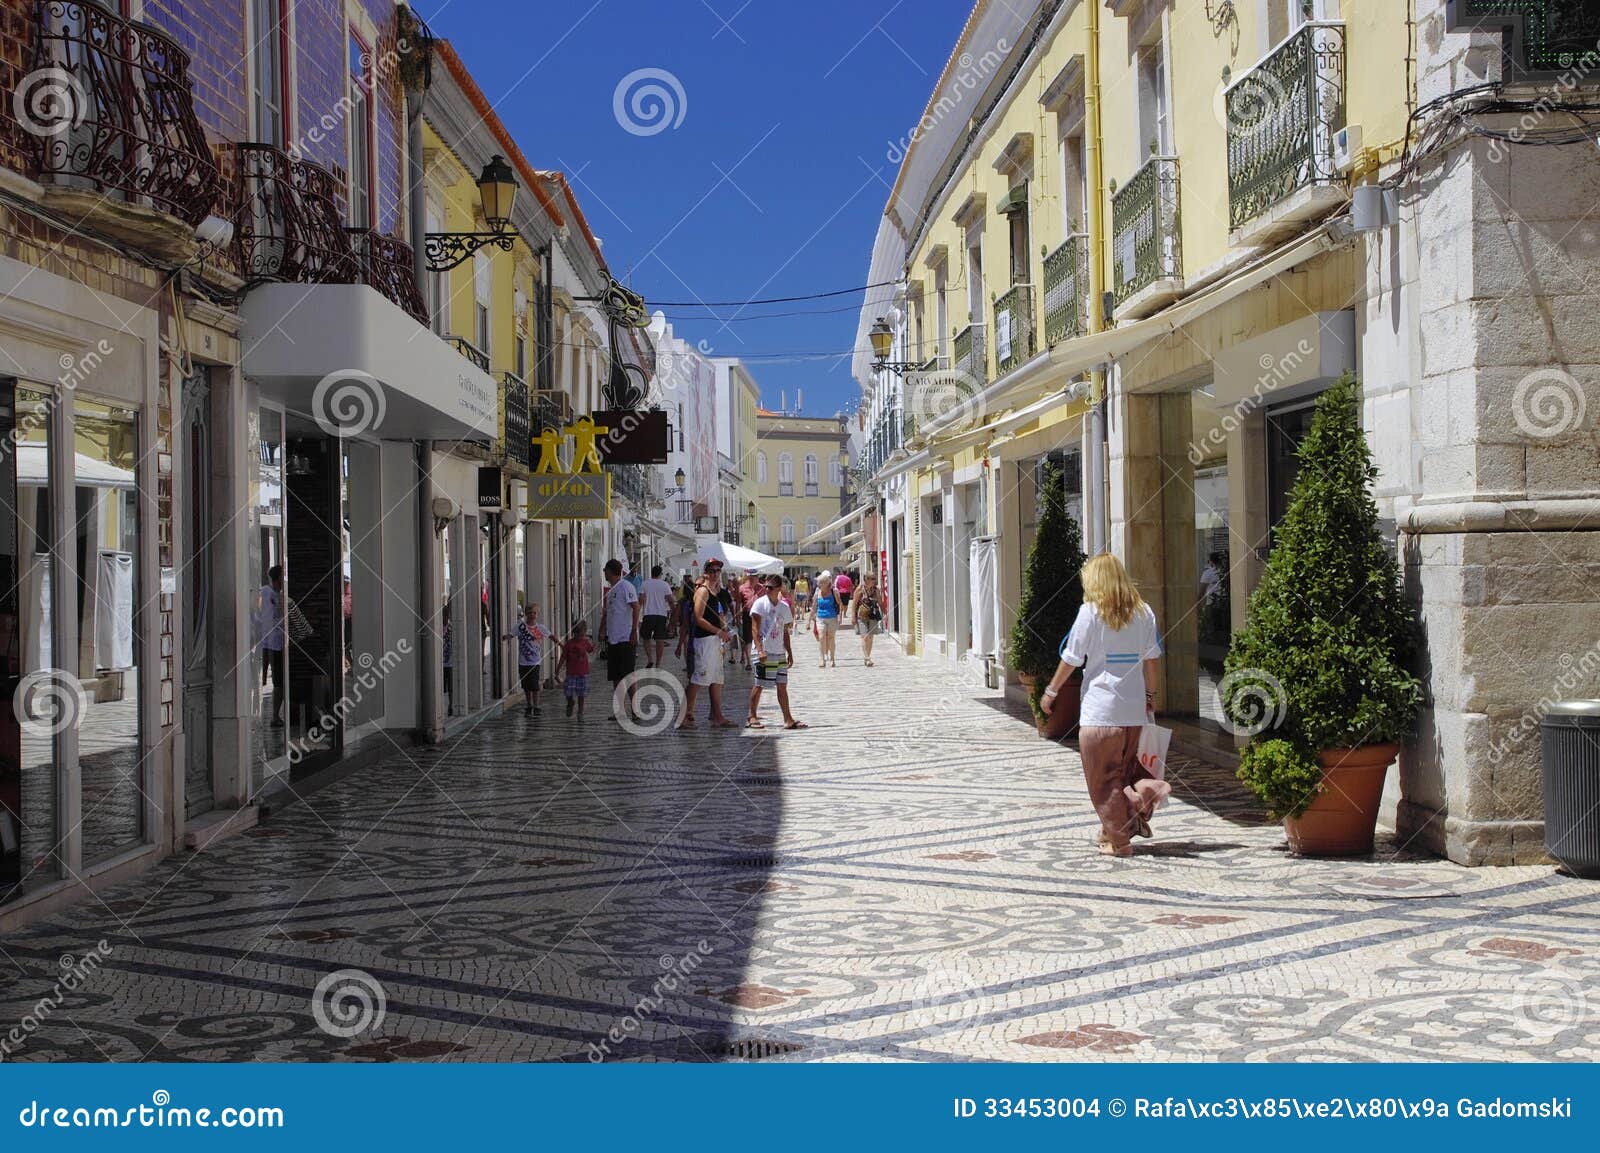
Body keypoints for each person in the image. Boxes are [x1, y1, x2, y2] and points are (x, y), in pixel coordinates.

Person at [1041, 553, 1170, 858]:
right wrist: (1151, 697)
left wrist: (1051, 691)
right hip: (1133, 712)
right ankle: (1113, 826)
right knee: (1122, 775)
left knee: (1103, 783)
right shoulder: (1144, 612)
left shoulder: (1090, 612)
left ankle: (1122, 841)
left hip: (1100, 711)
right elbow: (1152, 661)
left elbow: (1071, 657)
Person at [678, 559, 738, 730]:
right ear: (705, 572)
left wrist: (724, 630)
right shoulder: (703, 591)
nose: (715, 573)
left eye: (718, 570)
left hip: (714, 641)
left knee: (717, 679)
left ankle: (718, 716)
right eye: (712, 570)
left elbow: (718, 615)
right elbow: (698, 618)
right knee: (698, 679)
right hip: (704, 640)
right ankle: (683, 717)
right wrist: (719, 631)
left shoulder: (714, 591)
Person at [747, 574, 805, 730]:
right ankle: (752, 716)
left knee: (782, 685)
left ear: (779, 588)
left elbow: (784, 631)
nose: (767, 589)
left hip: (778, 651)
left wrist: (789, 652)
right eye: (765, 586)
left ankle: (788, 718)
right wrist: (760, 650)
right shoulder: (760, 604)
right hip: (764, 650)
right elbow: (754, 629)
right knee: (760, 684)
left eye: (770, 587)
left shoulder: (784, 607)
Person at [601, 559, 641, 722]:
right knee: (616, 675)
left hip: (625, 637)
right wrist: (602, 629)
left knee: (629, 675)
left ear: (611, 571)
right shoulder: (611, 591)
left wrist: (633, 631)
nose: (604, 573)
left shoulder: (625, 586)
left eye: (605, 570)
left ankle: (635, 710)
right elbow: (608, 613)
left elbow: (636, 606)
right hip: (613, 639)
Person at [256, 564, 286, 727]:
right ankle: (263, 713)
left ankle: (275, 715)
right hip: (267, 643)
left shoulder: (280, 595)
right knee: (266, 680)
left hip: (277, 644)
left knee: (278, 682)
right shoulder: (265, 592)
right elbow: (257, 612)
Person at [508, 603, 550, 715]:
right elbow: (511, 634)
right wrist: (504, 637)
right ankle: (529, 704)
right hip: (523, 662)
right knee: (526, 686)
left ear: (537, 614)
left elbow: (551, 636)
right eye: (530, 613)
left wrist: (560, 644)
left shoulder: (540, 628)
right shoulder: (521, 627)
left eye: (534, 613)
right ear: (526, 614)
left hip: (535, 662)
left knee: (535, 685)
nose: (532, 615)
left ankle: (536, 706)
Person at [554, 621, 596, 718]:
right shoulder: (569, 644)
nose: (579, 637)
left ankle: (580, 710)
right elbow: (563, 657)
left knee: (581, 693)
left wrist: (595, 646)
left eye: (581, 635)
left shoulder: (585, 642)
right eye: (577, 634)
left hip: (583, 672)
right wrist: (558, 669)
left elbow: (590, 650)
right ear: (573, 632)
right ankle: (570, 702)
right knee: (568, 691)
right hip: (571, 673)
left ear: (584, 633)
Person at [640, 564, 675, 669]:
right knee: (660, 640)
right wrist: (674, 613)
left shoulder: (645, 584)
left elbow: (641, 600)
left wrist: (638, 613)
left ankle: (650, 659)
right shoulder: (665, 585)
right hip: (661, 615)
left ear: (651, 573)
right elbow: (670, 600)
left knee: (646, 638)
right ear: (660, 574)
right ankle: (658, 663)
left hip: (648, 614)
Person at [853, 573, 888, 666]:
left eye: (874, 578)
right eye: (873, 578)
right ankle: (867, 658)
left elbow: (880, 602)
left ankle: (867, 656)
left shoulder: (876, 590)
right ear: (866, 579)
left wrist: (885, 613)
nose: (874, 580)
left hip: (873, 615)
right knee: (864, 637)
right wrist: (853, 617)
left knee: (871, 637)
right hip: (862, 615)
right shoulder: (859, 589)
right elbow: (854, 604)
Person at [813, 573, 840, 668]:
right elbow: (814, 605)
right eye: (819, 583)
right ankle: (822, 659)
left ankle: (832, 658)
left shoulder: (834, 591)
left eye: (820, 582)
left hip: (832, 617)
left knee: (831, 638)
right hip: (820, 618)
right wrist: (810, 618)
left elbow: (839, 604)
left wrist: (840, 617)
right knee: (821, 637)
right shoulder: (818, 592)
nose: (819, 584)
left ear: (826, 583)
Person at [736, 573, 763, 670]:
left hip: (760, 615)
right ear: (749, 577)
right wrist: (737, 618)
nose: (755, 579)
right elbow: (738, 603)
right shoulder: (742, 588)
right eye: (753, 577)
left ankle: (760, 657)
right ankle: (748, 662)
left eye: (756, 577)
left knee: (759, 636)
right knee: (747, 639)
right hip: (747, 615)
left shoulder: (762, 588)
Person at [673, 573, 698, 676]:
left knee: (686, 645)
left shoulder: (682, 602)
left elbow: (678, 616)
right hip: (697, 633)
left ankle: (688, 665)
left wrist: (673, 624)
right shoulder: (698, 601)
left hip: (686, 628)